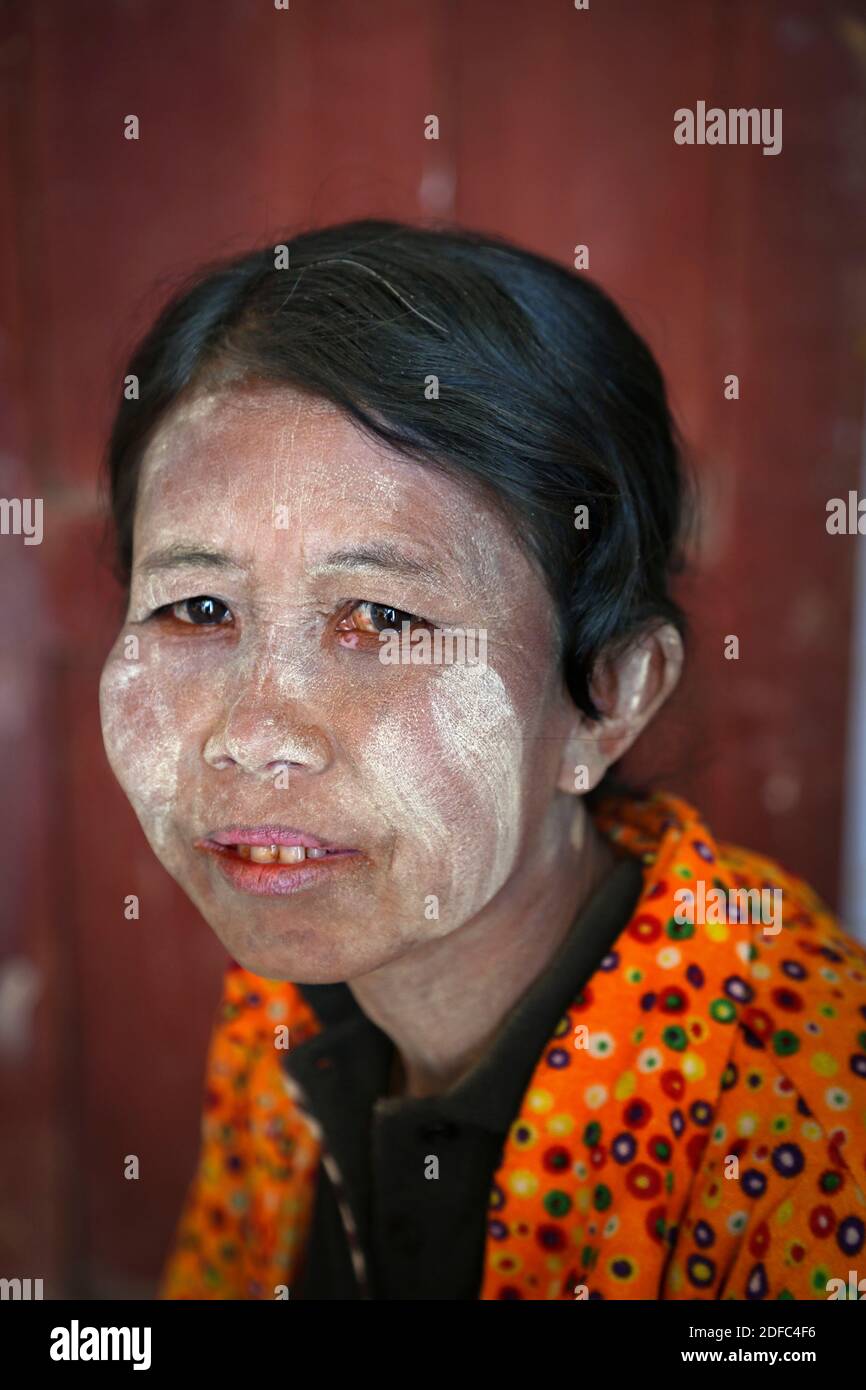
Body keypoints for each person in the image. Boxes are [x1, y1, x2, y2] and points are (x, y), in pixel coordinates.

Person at [99, 219, 866, 1300]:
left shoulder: (812, 1138)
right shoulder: (290, 994)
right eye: (196, 608)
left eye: (379, 614)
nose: (254, 733)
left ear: (607, 696)